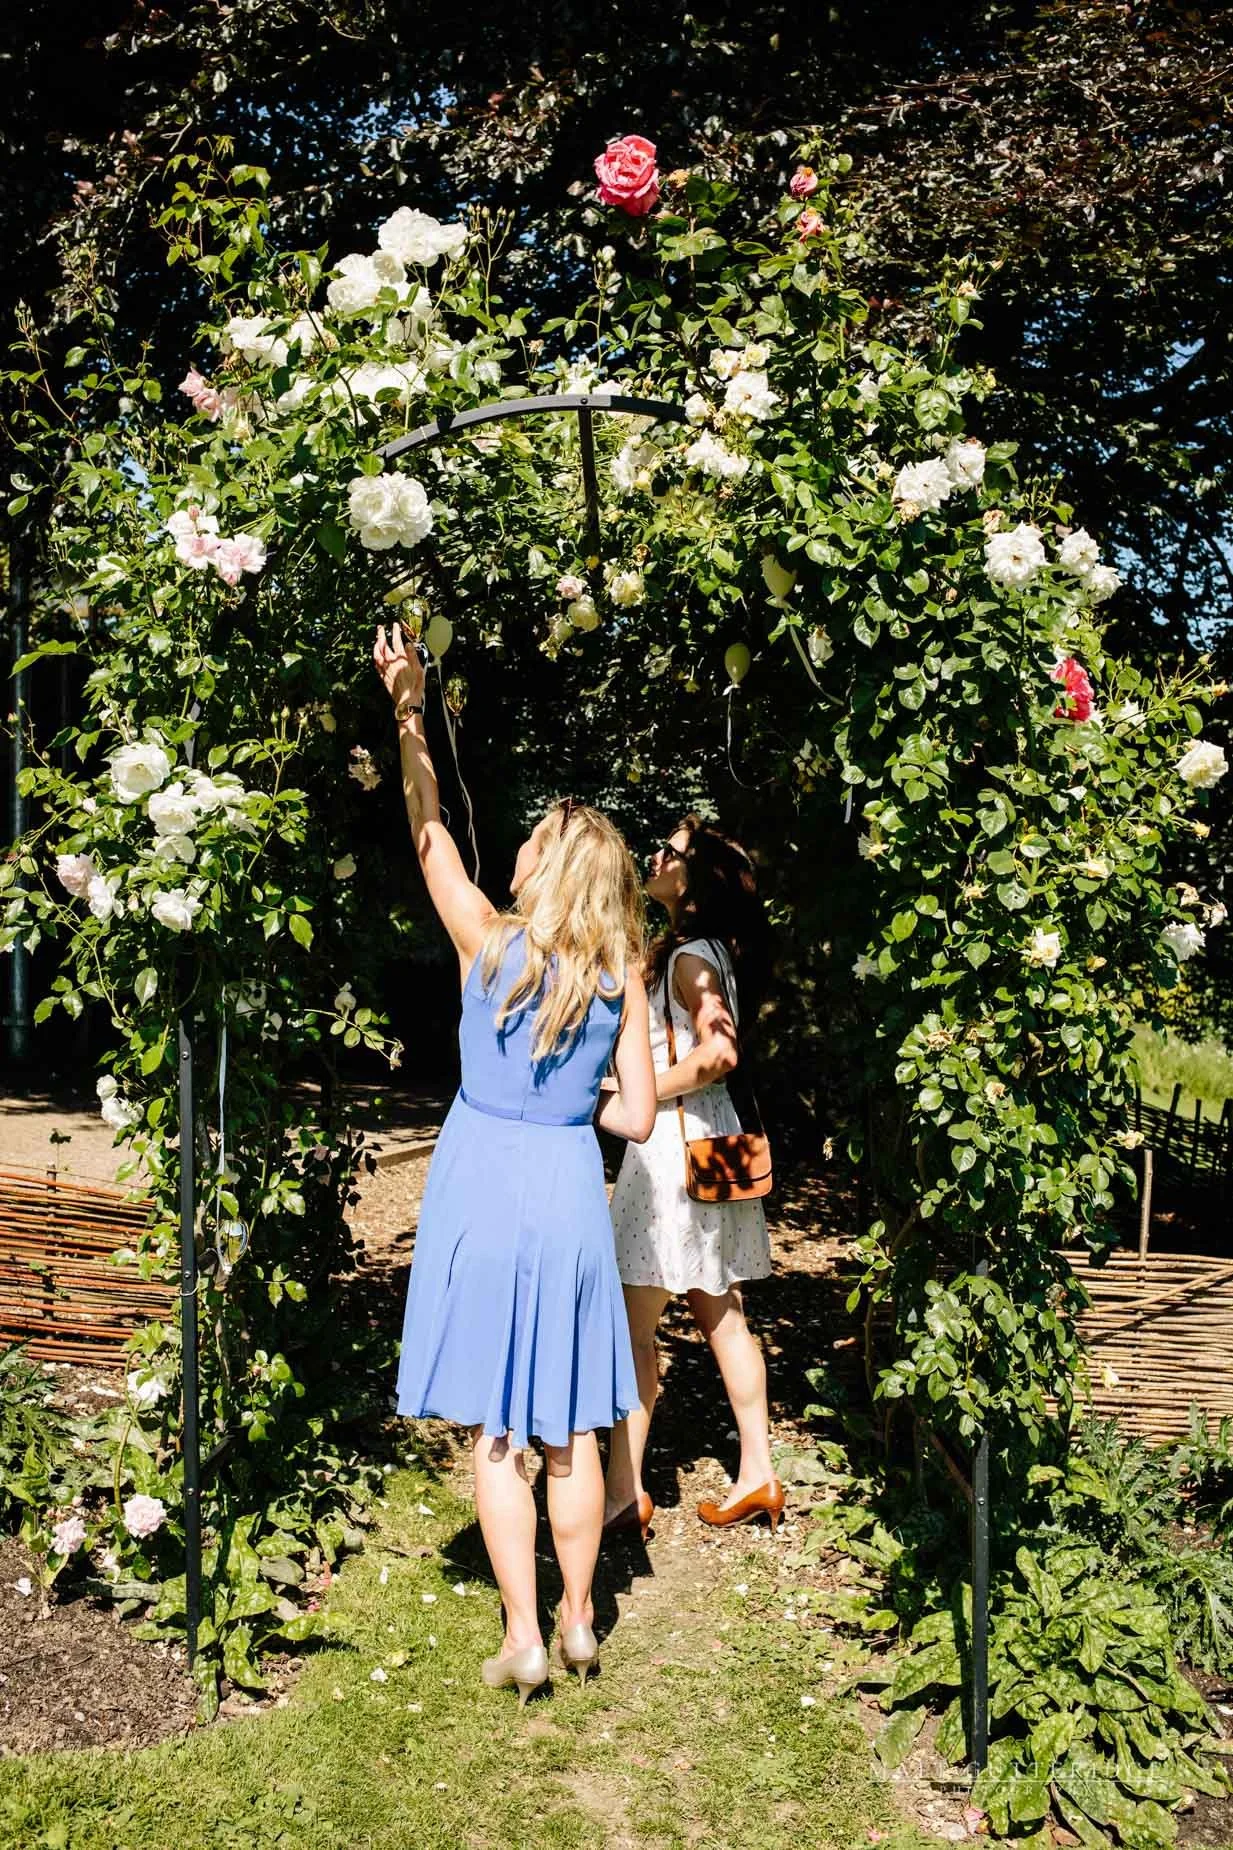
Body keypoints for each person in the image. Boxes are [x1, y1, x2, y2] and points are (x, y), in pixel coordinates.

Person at [373, 622, 657, 1707]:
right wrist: (576, 1092)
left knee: (500, 1429)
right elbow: (634, 1114)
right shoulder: (619, 976)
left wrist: (408, 706)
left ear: (549, 868)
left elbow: (427, 825)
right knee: (574, 1425)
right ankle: (585, 1616)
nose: (525, 844)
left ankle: (524, 1633)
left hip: (485, 1183)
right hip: (568, 1193)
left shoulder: (487, 940)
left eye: (537, 836)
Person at [603, 815, 783, 1538]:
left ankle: (621, 1493)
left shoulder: (690, 961)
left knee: (633, 1329)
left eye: (668, 852)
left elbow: (718, 1055)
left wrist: (630, 1098)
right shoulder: (700, 954)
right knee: (723, 1313)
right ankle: (758, 1473)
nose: (654, 856)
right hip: (708, 1147)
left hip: (671, 1156)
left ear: (691, 878)